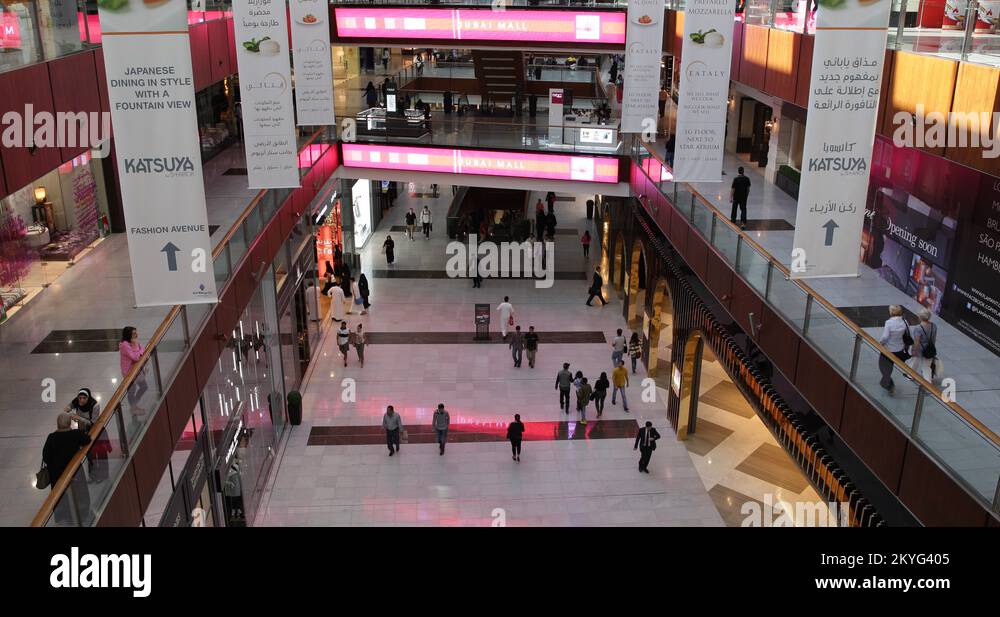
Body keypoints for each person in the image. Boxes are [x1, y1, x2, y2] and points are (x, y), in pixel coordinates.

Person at [42, 413, 92, 523]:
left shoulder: (51, 437)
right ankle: (81, 515)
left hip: (57, 475)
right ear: (69, 423)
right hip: (74, 472)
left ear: (58, 424)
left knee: (60, 496)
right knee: (79, 493)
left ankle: (63, 517)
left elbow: (46, 457)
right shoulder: (75, 434)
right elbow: (88, 439)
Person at [878, 305, 911, 392]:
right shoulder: (905, 322)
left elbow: (885, 337)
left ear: (891, 312)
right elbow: (908, 334)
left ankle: (888, 384)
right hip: (900, 349)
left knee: (883, 366)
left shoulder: (889, 322)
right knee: (889, 366)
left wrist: (881, 343)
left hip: (889, 349)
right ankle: (887, 382)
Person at [119, 326, 147, 414]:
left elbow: (143, 348)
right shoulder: (124, 345)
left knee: (144, 387)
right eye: (134, 333)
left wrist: (138, 350)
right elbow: (135, 357)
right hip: (129, 373)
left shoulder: (133, 342)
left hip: (136, 370)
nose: (137, 334)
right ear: (129, 335)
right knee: (132, 391)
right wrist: (137, 349)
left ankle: (134, 404)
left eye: (136, 332)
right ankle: (133, 408)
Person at [909, 308, 939, 382]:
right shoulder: (934, 326)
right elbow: (934, 339)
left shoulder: (918, 328)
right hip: (929, 349)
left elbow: (916, 342)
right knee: (926, 367)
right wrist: (932, 348)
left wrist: (913, 350)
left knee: (914, 361)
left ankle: (910, 375)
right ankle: (928, 382)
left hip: (919, 349)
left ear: (920, 317)